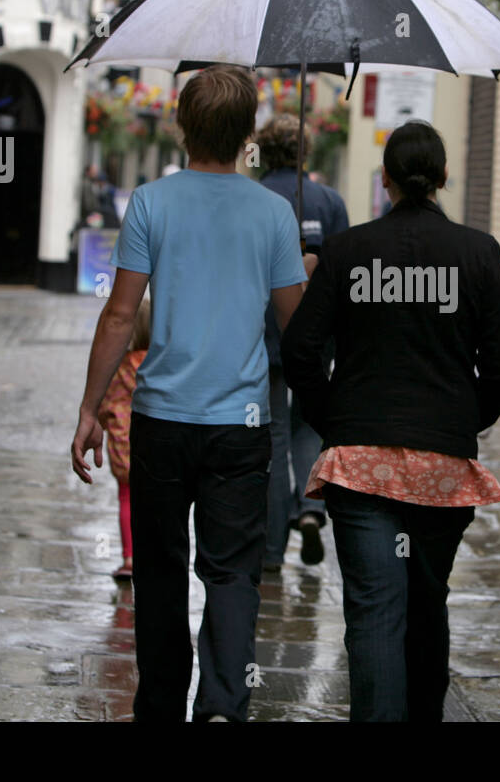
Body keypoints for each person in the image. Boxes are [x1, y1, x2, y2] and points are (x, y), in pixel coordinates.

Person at [71, 65, 315, 723]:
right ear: (246, 137)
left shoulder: (151, 203)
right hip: (241, 424)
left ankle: (159, 706)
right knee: (233, 571)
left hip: (161, 420)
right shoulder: (272, 212)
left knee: (159, 569)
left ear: (182, 127)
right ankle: (222, 705)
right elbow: (297, 322)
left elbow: (120, 316)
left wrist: (91, 408)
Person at [281, 120, 500, 721]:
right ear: (442, 178)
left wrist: (333, 420)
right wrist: (463, 421)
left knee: (374, 612)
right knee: (426, 602)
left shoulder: (345, 252)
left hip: (359, 459)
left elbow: (301, 351)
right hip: (442, 463)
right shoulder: (479, 252)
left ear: (384, 180)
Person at [256, 114, 349, 570]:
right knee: (308, 427)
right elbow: (344, 273)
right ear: (304, 152)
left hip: (265, 336)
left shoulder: (253, 198)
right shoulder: (329, 202)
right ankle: (312, 510)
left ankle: (271, 550)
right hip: (317, 337)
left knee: (272, 437)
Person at [97, 297, 152, 580]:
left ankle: (129, 558)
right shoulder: (157, 365)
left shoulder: (120, 367)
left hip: (122, 447)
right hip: (153, 447)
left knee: (126, 499)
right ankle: (153, 556)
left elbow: (105, 405)